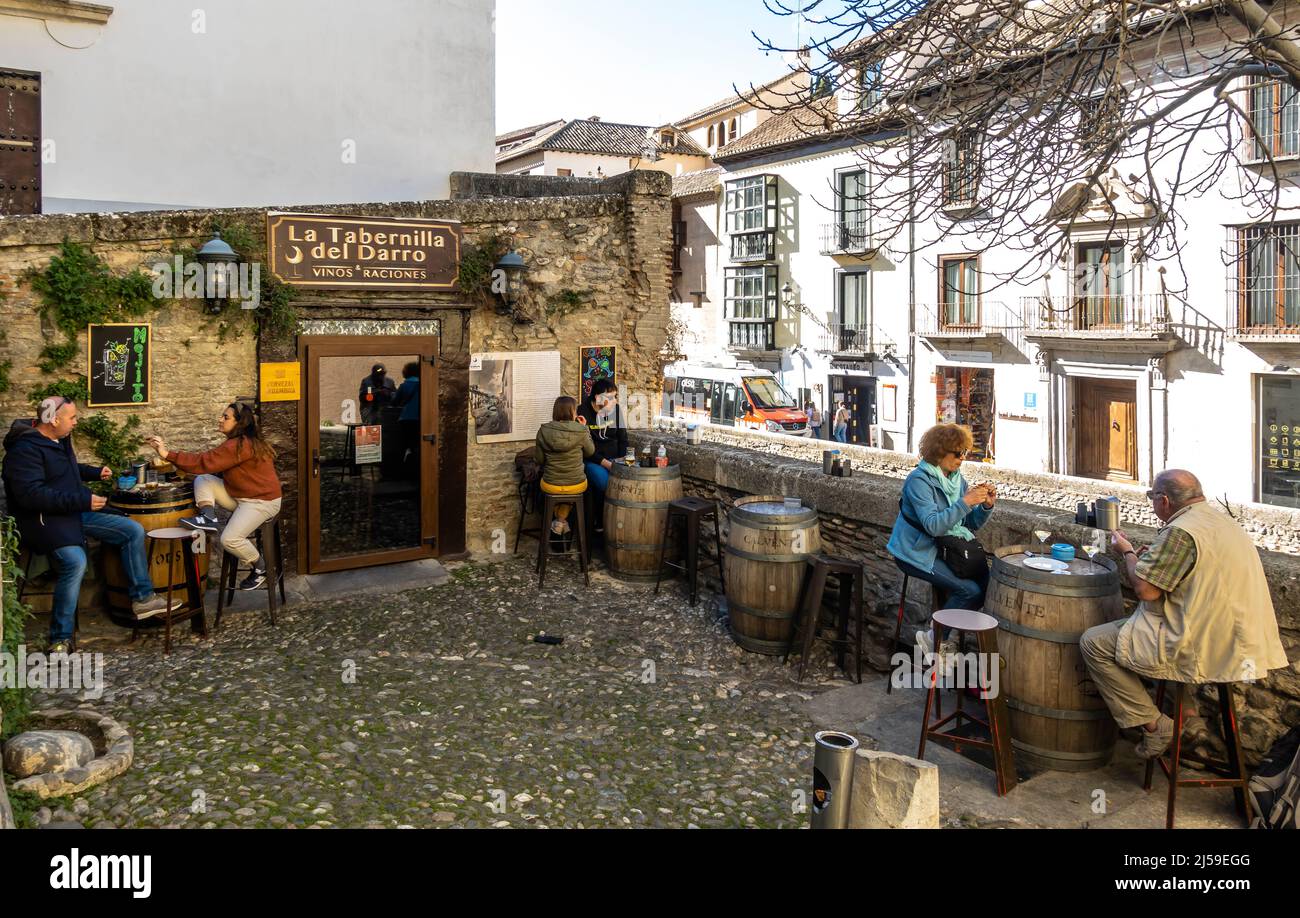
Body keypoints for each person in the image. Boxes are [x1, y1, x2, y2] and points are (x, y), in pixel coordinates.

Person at [1080, 469, 1289, 759]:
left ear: (1164, 501)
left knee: (1094, 642)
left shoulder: (1180, 531)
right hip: (1239, 640)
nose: (1153, 504)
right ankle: (1186, 711)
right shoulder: (1220, 521)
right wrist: (1150, 561)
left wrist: (1127, 552)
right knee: (1156, 630)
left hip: (1202, 643)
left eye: (1152, 497)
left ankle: (1154, 725)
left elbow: (1146, 591)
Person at [2, 397, 176, 652]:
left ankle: (143, 599)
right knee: (75, 562)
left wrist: (93, 472)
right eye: (71, 417)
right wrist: (82, 499)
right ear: (53, 419)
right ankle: (60, 638)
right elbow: (31, 496)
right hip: (43, 521)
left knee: (131, 530)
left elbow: (64, 470)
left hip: (72, 513)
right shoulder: (24, 451)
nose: (75, 422)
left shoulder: (58, 440)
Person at [146, 402, 283, 591]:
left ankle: (262, 569)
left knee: (229, 539)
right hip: (241, 497)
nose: (220, 419)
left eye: (225, 417)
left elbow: (205, 461)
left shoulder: (239, 444)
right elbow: (213, 467)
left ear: (239, 423)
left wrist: (166, 453)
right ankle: (208, 517)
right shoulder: (237, 443)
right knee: (203, 480)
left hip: (262, 502)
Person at [887, 423, 995, 613]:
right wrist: (965, 502)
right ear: (939, 452)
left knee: (990, 587)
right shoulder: (919, 481)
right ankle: (934, 639)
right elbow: (933, 526)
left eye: (965, 452)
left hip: (946, 549)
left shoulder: (957, 480)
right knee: (969, 591)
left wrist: (986, 506)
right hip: (916, 551)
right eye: (957, 453)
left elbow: (969, 523)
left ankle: (938, 635)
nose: (962, 458)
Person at [534, 396, 596, 537]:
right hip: (577, 484)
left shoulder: (543, 430)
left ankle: (559, 521)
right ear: (572, 412)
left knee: (556, 492)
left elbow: (539, 459)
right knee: (569, 492)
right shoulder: (580, 430)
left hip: (550, 484)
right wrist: (585, 429)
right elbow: (590, 452)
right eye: (575, 410)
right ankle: (561, 521)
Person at [576, 379, 628, 534]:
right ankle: (602, 521)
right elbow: (584, 446)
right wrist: (606, 464)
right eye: (610, 397)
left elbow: (623, 438)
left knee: (627, 484)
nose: (614, 401)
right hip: (592, 459)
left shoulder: (616, 410)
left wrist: (622, 460)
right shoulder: (582, 411)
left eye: (615, 397)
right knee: (605, 483)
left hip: (614, 459)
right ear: (598, 397)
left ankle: (618, 523)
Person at [393, 362, 421, 480]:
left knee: (406, 445)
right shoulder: (423, 384)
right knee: (417, 444)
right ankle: (417, 469)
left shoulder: (404, 386)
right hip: (420, 419)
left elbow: (394, 402)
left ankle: (405, 470)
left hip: (406, 419)